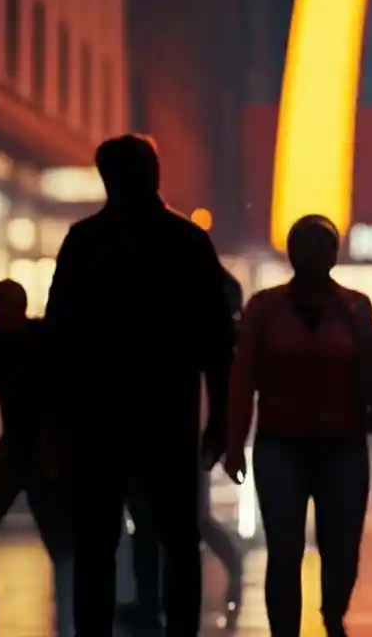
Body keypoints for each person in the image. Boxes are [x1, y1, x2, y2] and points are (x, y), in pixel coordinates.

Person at [45, 134, 235, 636]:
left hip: (97, 420)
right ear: (155, 174)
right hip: (167, 417)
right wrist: (219, 416)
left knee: (96, 546)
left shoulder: (84, 242)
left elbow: (59, 342)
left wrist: (57, 426)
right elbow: (216, 341)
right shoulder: (187, 242)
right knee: (179, 540)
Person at [224, 215, 372, 637]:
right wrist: (234, 444)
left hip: (342, 446)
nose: (311, 254)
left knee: (342, 548)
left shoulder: (356, 308)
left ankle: (333, 613)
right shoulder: (264, 309)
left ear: (334, 253)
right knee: (283, 552)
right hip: (280, 445)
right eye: (304, 245)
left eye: (319, 245)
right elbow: (243, 378)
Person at [118, 269, 246, 630]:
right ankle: (161, 603)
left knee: (169, 522)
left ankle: (154, 602)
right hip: (173, 428)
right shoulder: (200, 309)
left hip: (163, 428)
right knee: (176, 522)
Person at [0, 281, 71, 635]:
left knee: (60, 540)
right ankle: (68, 613)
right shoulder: (26, 340)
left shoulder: (1, 343)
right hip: (27, 446)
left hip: (40, 447)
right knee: (60, 541)